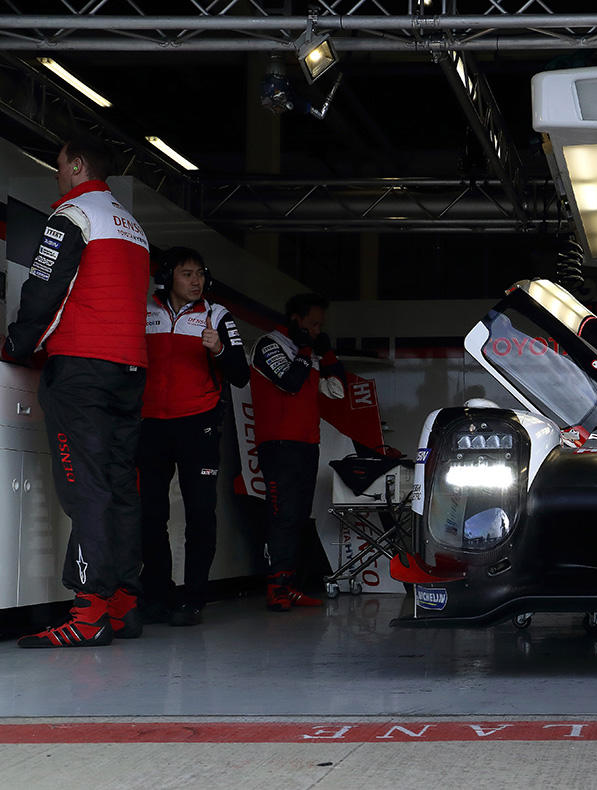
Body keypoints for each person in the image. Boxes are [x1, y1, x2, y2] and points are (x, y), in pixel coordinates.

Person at [1, 135, 149, 647]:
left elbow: (44, 288)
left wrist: (17, 344)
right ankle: (123, 606)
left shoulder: (74, 214)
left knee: (86, 488)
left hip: (82, 370)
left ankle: (88, 615)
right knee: (120, 488)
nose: (57, 176)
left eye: (60, 166)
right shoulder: (132, 226)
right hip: (129, 370)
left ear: (79, 165)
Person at [138, 247, 250, 626]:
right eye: (187, 274)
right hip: (151, 424)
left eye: (200, 273)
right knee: (150, 515)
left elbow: (241, 375)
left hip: (198, 424)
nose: (196, 280)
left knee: (200, 513)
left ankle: (194, 599)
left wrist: (219, 349)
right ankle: (157, 593)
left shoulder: (217, 316)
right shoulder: (144, 312)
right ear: (167, 276)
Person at [250, 292, 346, 611]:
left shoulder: (310, 353)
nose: (317, 330)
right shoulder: (268, 344)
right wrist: (305, 351)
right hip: (278, 444)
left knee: (299, 517)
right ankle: (276, 588)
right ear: (296, 320)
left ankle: (290, 586)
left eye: (321, 326)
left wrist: (326, 354)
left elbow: (337, 391)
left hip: (307, 443)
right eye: (313, 324)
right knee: (283, 516)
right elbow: (290, 382)